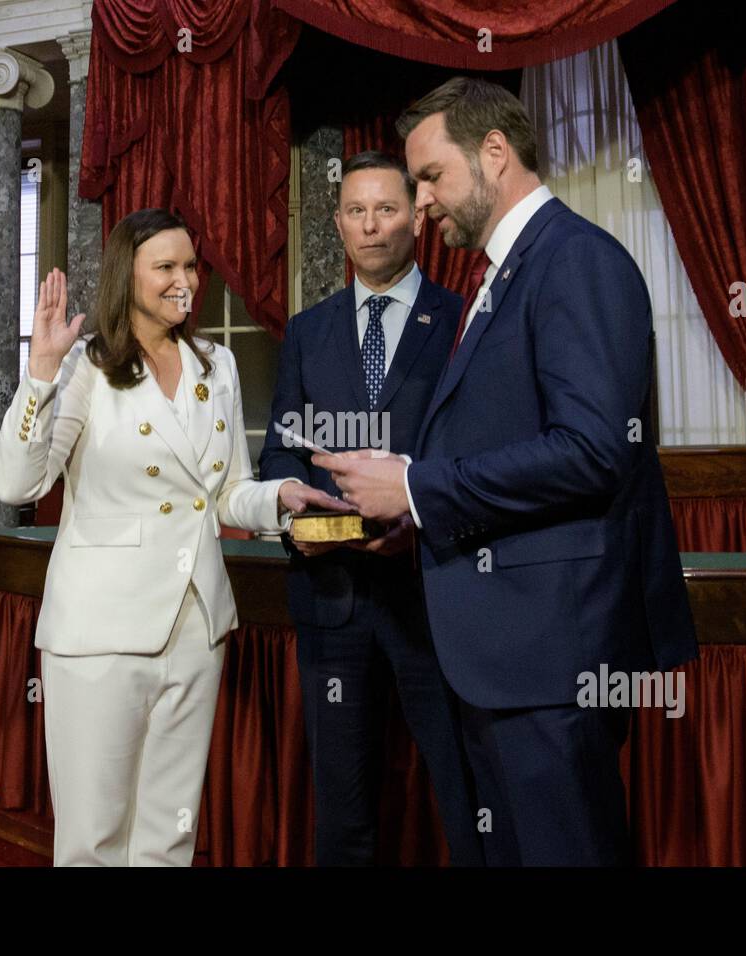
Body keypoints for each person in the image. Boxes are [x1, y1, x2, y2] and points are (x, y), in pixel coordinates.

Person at [314, 78, 699, 866]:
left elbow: (594, 449)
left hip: (553, 656)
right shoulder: (503, 273)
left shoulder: (576, 260)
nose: (419, 205)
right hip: (503, 655)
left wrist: (417, 489)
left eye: (429, 177)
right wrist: (411, 516)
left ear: (494, 152)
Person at [0, 208, 345, 866]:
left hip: (196, 627)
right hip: (100, 633)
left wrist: (283, 498)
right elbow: (18, 485)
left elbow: (227, 490)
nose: (184, 280)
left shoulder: (218, 365)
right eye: (166, 267)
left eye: (190, 266)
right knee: (94, 840)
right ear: (128, 275)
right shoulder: (84, 368)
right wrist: (39, 372)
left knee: (169, 836)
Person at [259, 151, 481, 866]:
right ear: (338, 222)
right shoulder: (307, 330)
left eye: (386, 208)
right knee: (344, 813)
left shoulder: (463, 321)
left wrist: (419, 513)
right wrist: (302, 518)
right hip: (334, 602)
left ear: (415, 216)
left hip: (437, 598)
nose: (371, 225)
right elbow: (282, 456)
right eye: (356, 211)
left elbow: (478, 449)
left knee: (466, 797)